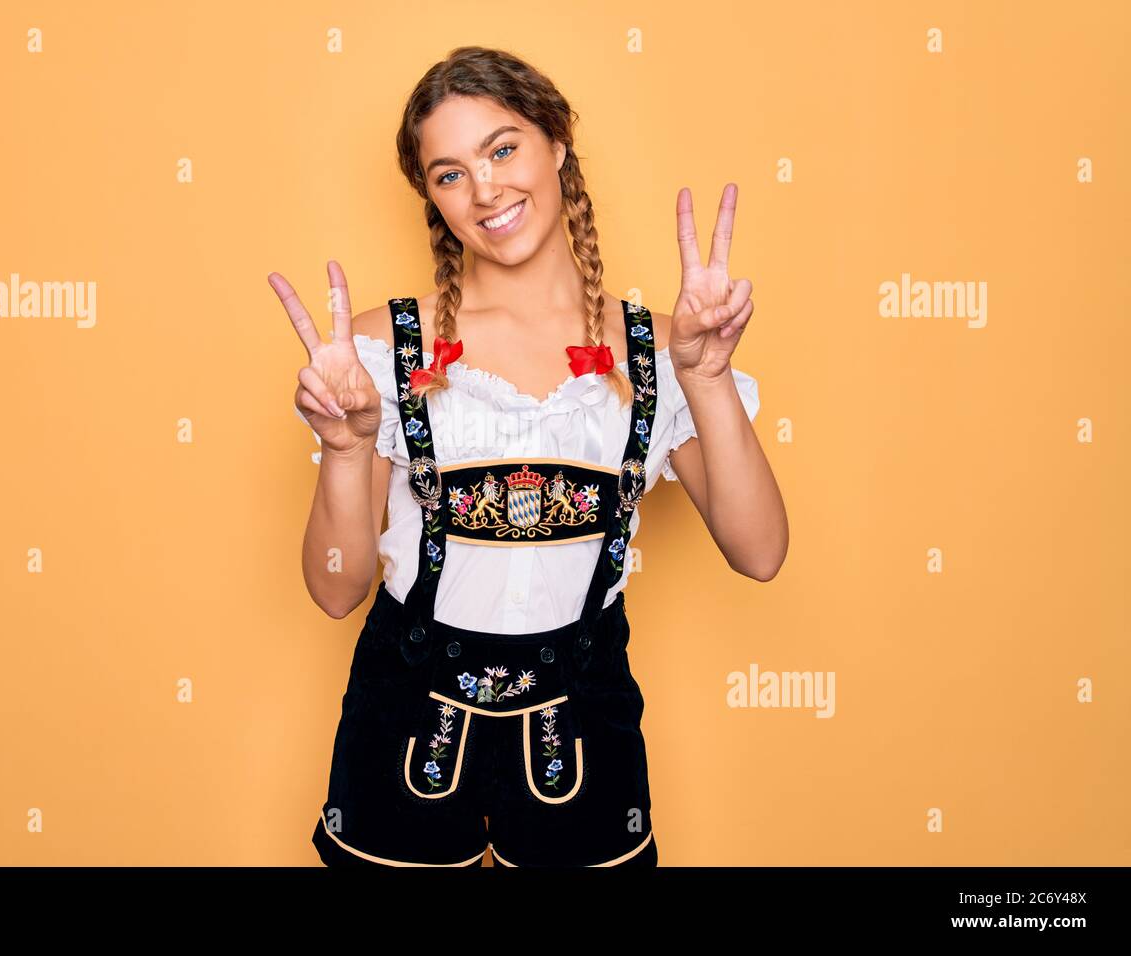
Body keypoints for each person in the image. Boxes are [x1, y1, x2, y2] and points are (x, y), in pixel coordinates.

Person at [270, 46, 787, 867]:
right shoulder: (377, 350)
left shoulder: (657, 354)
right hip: (403, 718)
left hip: (585, 726)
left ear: (558, 142)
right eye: (448, 174)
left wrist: (709, 376)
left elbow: (759, 553)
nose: (484, 191)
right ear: (431, 199)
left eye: (503, 148)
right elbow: (336, 590)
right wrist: (346, 448)